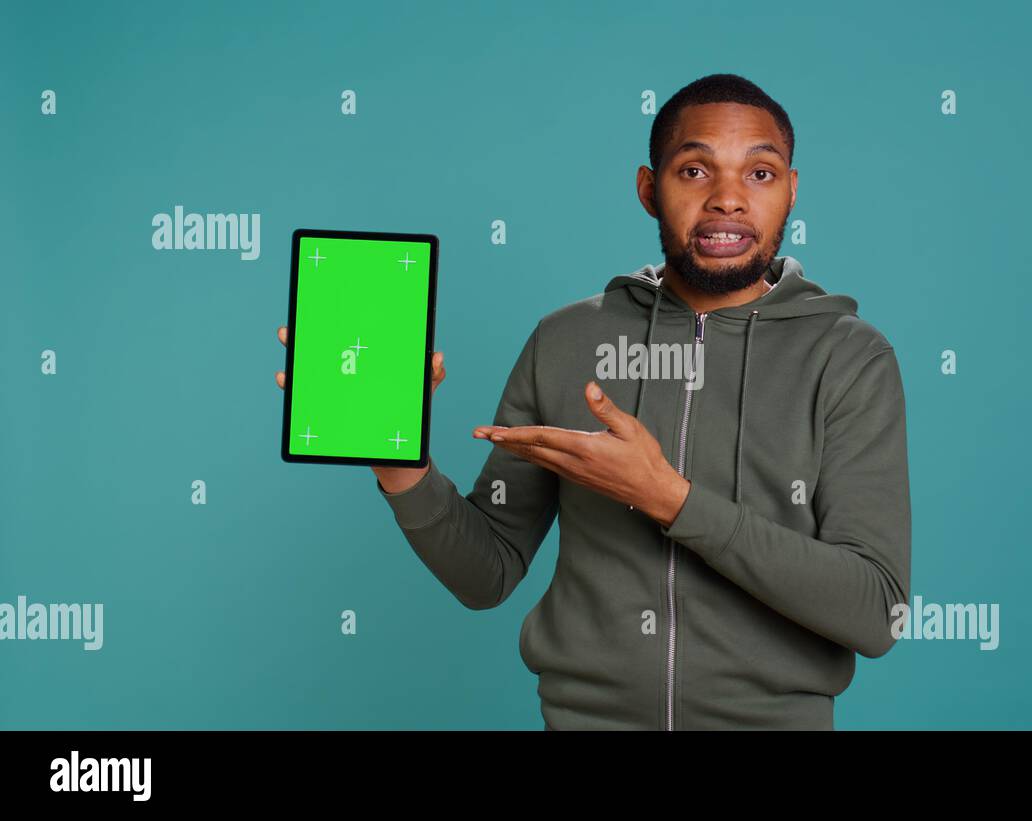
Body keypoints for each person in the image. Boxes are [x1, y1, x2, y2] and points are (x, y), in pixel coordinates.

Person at [275, 73, 911, 730]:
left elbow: (876, 611)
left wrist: (670, 498)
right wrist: (394, 455)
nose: (728, 199)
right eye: (695, 170)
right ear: (648, 189)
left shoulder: (849, 357)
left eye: (759, 173)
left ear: (791, 191)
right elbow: (485, 571)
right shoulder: (566, 340)